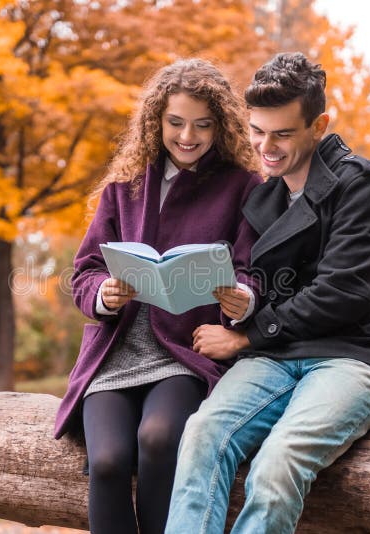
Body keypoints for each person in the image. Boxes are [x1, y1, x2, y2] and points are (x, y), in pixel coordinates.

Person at [165, 52, 370, 533]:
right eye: (257, 131)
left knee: (278, 462)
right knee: (201, 433)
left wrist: (247, 337)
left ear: (319, 125)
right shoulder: (264, 196)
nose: (265, 147)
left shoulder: (360, 187)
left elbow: (342, 293)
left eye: (282, 134)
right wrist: (238, 302)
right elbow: (257, 281)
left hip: (354, 355)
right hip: (278, 355)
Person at [53, 58, 263, 534]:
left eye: (202, 125)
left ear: (221, 126)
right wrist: (104, 295)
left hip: (184, 353)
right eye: (176, 123)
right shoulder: (122, 188)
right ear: (156, 121)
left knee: (159, 436)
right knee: (106, 462)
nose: (188, 136)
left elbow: (253, 272)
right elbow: (84, 271)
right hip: (115, 354)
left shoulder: (242, 186)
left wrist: (242, 299)